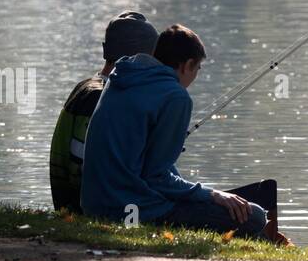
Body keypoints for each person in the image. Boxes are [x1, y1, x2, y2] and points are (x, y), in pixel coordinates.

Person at [81, 23, 290, 244]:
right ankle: (270, 252)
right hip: (131, 209)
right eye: (197, 69)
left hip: (94, 205)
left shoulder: (121, 77)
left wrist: (197, 192)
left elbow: (148, 164)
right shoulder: (174, 96)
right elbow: (157, 178)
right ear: (188, 65)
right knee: (255, 216)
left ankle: (266, 245)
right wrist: (213, 194)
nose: (195, 77)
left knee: (242, 215)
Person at [48, 11, 158, 212]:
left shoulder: (86, 87)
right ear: (138, 60)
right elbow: (88, 170)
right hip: (92, 209)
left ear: (105, 49)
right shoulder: (100, 98)